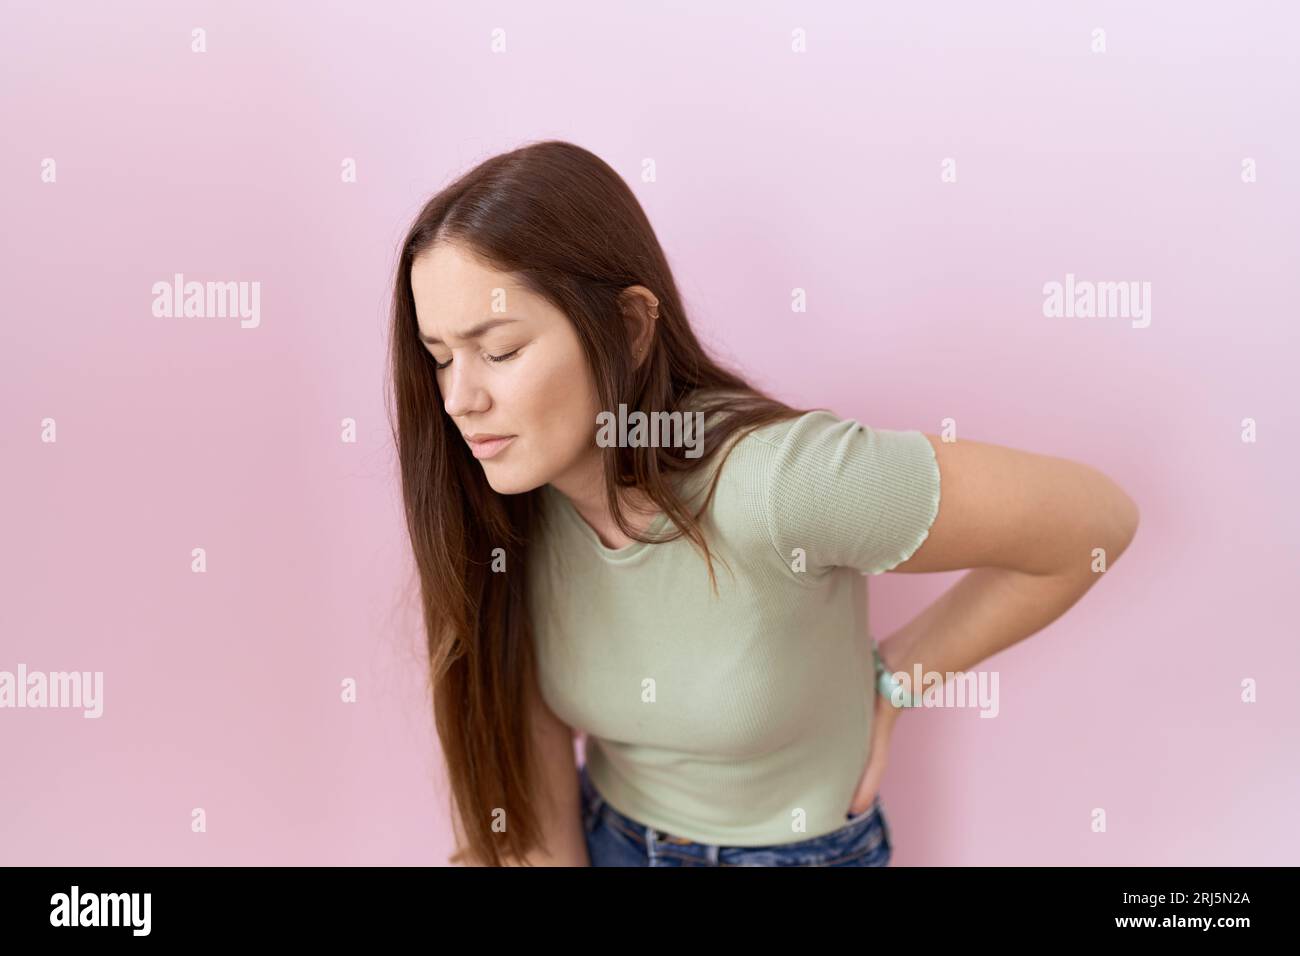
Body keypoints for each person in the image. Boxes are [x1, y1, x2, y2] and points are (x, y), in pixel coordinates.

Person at [387, 140, 1140, 867]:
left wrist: (902, 674)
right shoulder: (504, 507)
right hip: (608, 837)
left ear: (628, 327)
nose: (460, 399)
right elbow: (530, 770)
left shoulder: (781, 483)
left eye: (502, 350)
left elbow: (1095, 525)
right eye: (440, 357)